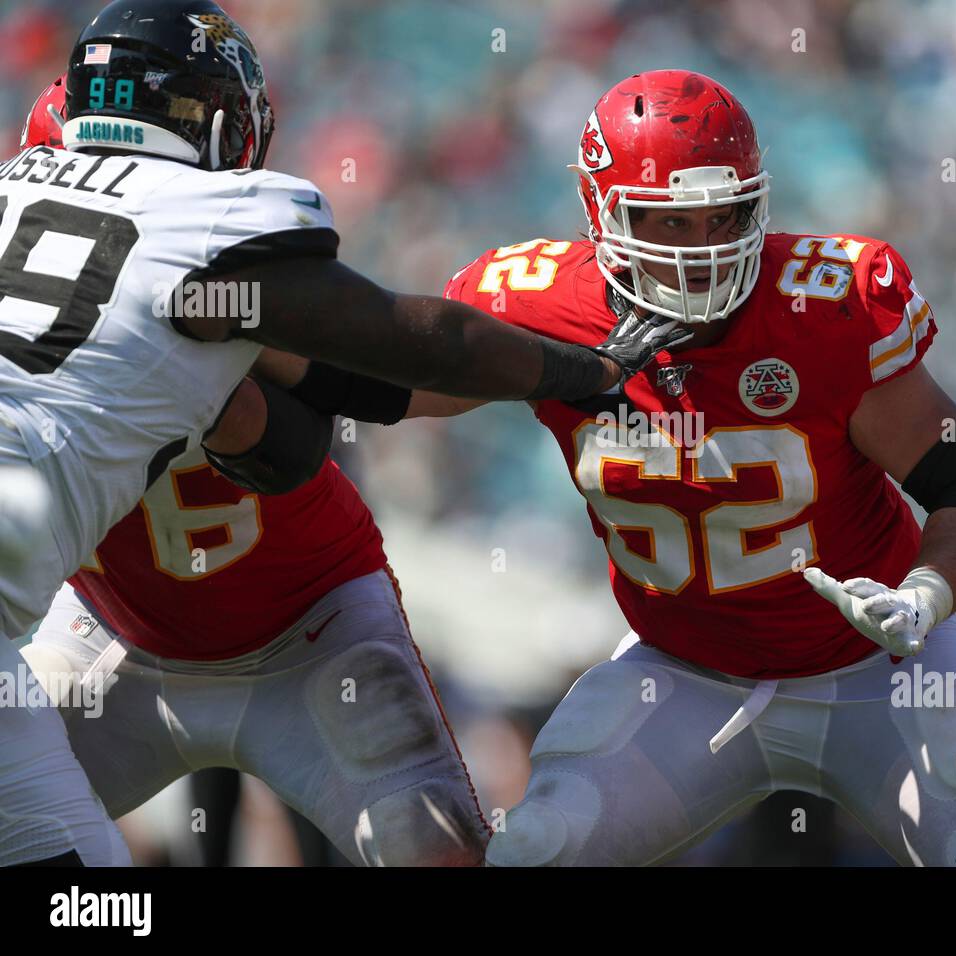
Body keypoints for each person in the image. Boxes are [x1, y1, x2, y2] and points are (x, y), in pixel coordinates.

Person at [0, 1, 682, 867]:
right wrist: (580, 370)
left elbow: (307, 439)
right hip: (114, 635)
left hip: (307, 632)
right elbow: (395, 359)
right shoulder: (199, 241)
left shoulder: (100, 250)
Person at [430, 70, 956, 866]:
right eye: (671, 221)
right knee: (540, 851)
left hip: (884, 666)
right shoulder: (536, 307)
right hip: (684, 676)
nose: (704, 247)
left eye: (722, 215)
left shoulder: (829, 308)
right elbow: (376, 389)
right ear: (602, 211)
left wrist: (923, 597)